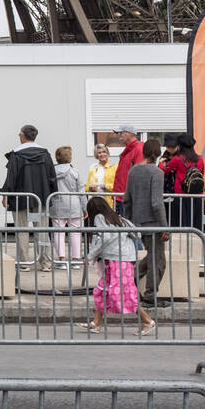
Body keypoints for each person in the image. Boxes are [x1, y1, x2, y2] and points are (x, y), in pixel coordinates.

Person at [78, 198, 156, 336]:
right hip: (122, 259)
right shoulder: (116, 217)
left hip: (117, 259)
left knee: (123, 293)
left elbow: (106, 237)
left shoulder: (99, 217)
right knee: (103, 290)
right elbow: (137, 234)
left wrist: (90, 256)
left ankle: (147, 321)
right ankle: (96, 322)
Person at [2, 124, 57, 271]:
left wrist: (6, 194)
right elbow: (52, 176)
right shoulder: (45, 154)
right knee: (42, 230)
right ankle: (45, 263)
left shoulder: (16, 155)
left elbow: (11, 177)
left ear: (22, 136)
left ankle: (24, 263)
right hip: (41, 197)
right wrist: (52, 195)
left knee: (22, 230)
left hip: (21, 198)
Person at [123, 138, 168, 304]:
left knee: (151, 256)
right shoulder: (157, 173)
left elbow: (127, 199)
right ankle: (150, 296)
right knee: (158, 261)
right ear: (158, 155)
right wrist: (165, 227)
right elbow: (157, 203)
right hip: (154, 222)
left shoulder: (134, 171)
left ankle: (129, 281)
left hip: (137, 221)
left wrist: (129, 222)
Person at [161, 133, 205, 232]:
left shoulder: (177, 159)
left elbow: (164, 169)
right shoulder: (200, 159)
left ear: (179, 146)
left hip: (182, 195)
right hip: (198, 196)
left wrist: (161, 163)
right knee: (197, 225)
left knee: (183, 225)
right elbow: (201, 174)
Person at [49, 146, 84, 266]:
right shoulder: (75, 171)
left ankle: (61, 260)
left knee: (58, 232)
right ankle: (76, 260)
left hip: (57, 204)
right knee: (75, 232)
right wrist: (85, 207)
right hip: (74, 204)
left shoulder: (51, 172)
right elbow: (81, 190)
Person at [111, 124, 143, 218]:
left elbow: (139, 174)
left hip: (129, 198)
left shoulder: (138, 149)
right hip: (122, 196)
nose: (119, 136)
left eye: (121, 133)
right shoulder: (129, 149)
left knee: (130, 228)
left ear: (129, 133)